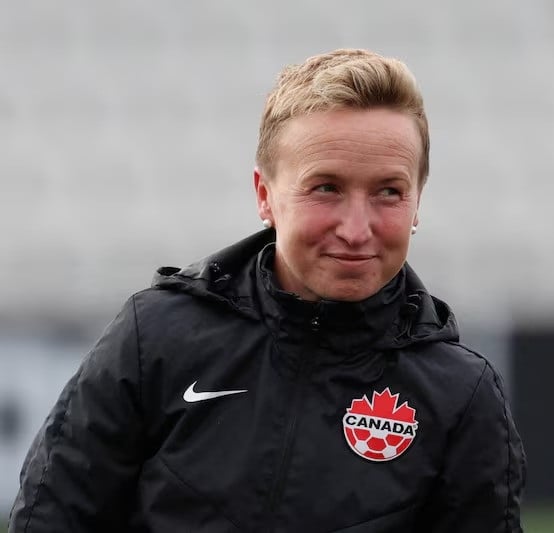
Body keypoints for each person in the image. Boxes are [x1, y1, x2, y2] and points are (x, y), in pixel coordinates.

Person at [9, 48, 526, 532]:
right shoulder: (157, 337)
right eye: (326, 188)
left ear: (417, 205)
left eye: (388, 192)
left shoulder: (462, 395)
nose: (356, 227)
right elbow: (52, 517)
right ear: (265, 196)